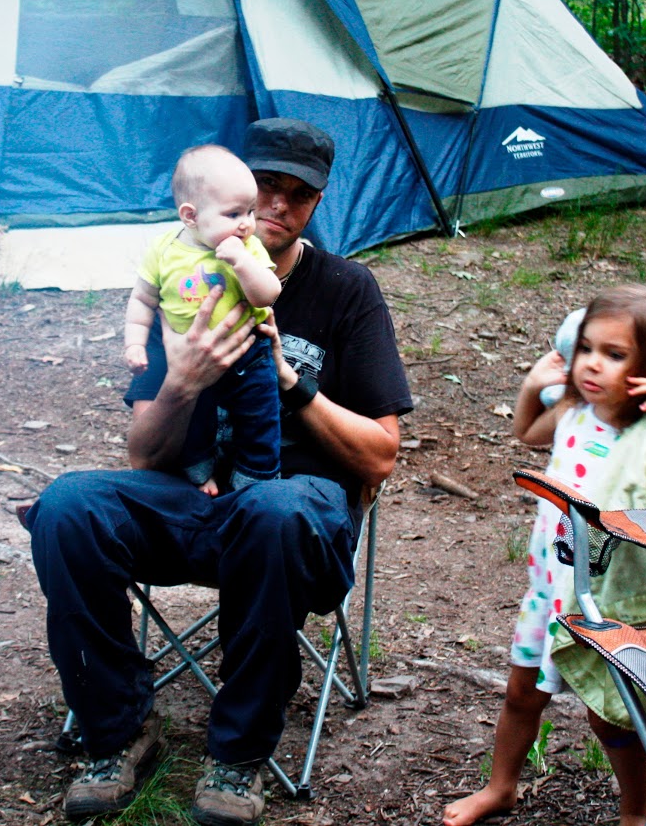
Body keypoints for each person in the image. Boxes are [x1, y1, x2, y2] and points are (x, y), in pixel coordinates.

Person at [24, 118, 412, 826]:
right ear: (223, 190)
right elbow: (144, 457)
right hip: (192, 495)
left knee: (273, 509)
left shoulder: (347, 291)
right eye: (266, 186)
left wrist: (293, 384)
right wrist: (182, 382)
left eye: (301, 195)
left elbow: (381, 457)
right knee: (68, 504)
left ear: (317, 205)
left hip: (294, 517)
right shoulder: (179, 268)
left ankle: (236, 756)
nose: (278, 206)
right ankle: (116, 732)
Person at [443, 284, 646, 826]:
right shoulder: (576, 410)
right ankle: (501, 787)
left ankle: (635, 811)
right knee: (520, 695)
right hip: (551, 591)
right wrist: (534, 388)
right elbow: (529, 434)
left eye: (613, 355)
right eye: (586, 349)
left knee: (612, 719)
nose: (591, 365)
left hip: (613, 601)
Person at [123, 144, 282, 496]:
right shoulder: (164, 250)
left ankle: (256, 478)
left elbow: (268, 294)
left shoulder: (248, 247)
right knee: (194, 421)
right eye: (233, 214)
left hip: (247, 356)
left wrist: (242, 263)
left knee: (260, 418)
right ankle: (198, 473)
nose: (246, 223)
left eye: (250, 211)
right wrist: (135, 343)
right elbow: (143, 300)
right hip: (186, 356)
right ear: (190, 216)